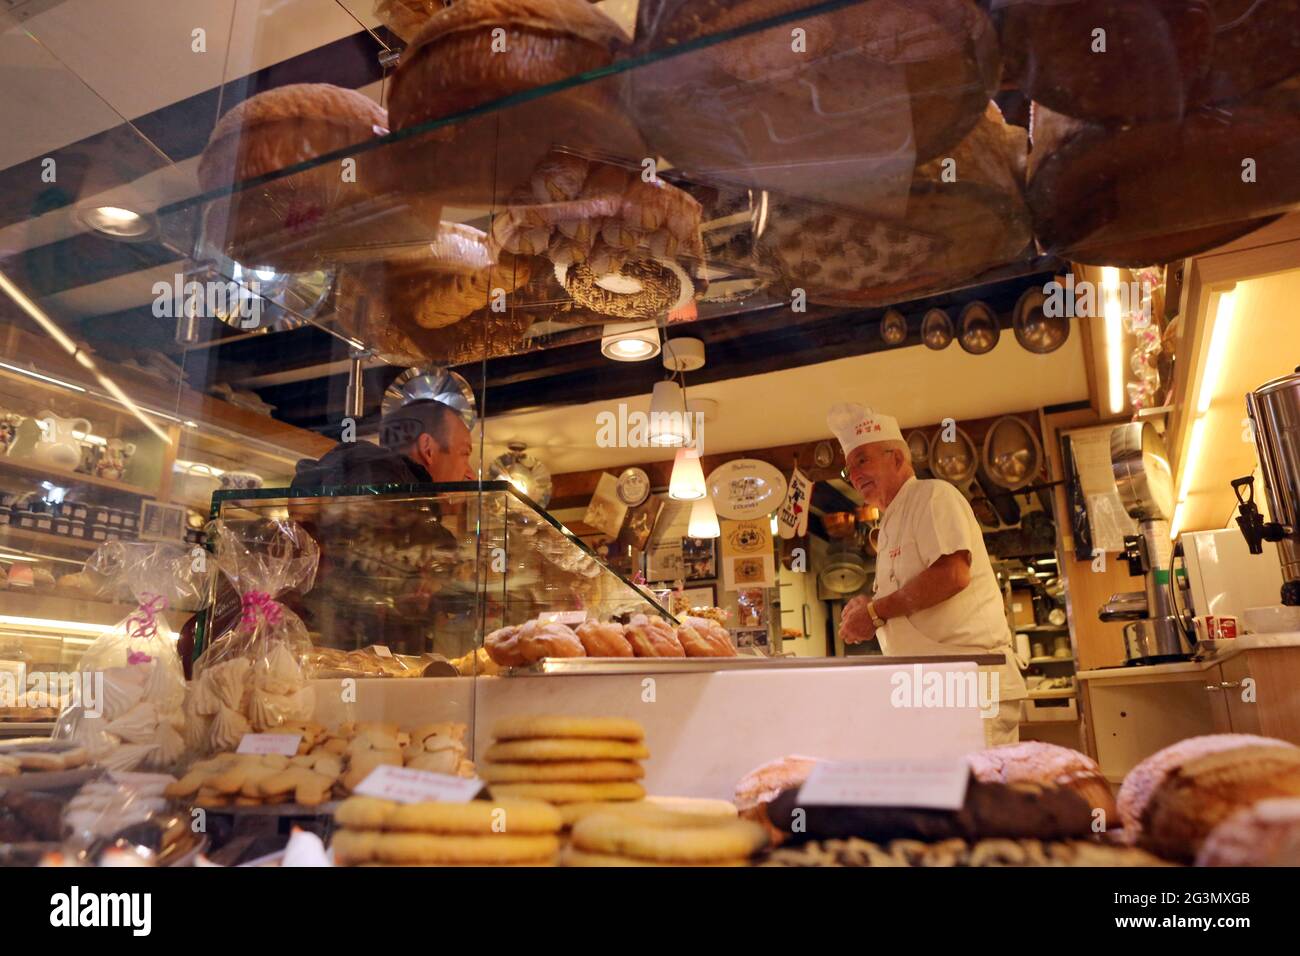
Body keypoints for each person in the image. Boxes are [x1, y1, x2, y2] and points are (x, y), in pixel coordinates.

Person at [828, 403, 1026, 746]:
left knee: (977, 794)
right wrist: (871, 606)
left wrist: (874, 612)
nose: (855, 474)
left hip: (968, 679)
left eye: (863, 460)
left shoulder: (933, 495)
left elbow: (952, 575)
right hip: (926, 683)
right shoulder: (889, 521)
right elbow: (910, 595)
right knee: (940, 793)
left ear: (897, 458)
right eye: (849, 469)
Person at [292, 399, 476, 488]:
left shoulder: (360, 472)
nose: (471, 474)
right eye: (464, 453)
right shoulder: (391, 493)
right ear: (427, 448)